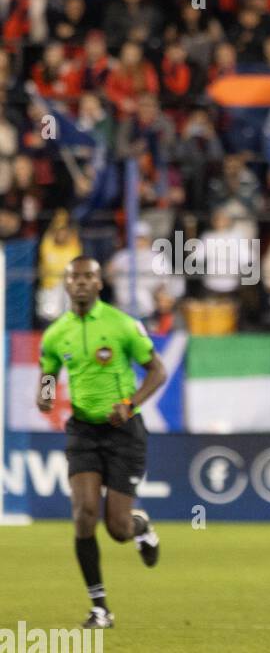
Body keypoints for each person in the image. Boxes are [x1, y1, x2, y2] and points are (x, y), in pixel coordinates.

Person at [36, 257, 168, 630]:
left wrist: (129, 405)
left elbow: (158, 370)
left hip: (124, 432)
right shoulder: (56, 333)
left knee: (117, 528)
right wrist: (45, 395)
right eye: (73, 277)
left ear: (99, 284)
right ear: (65, 285)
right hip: (83, 431)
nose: (80, 282)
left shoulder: (122, 325)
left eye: (87, 276)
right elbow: (48, 372)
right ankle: (100, 609)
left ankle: (139, 526)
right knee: (84, 515)